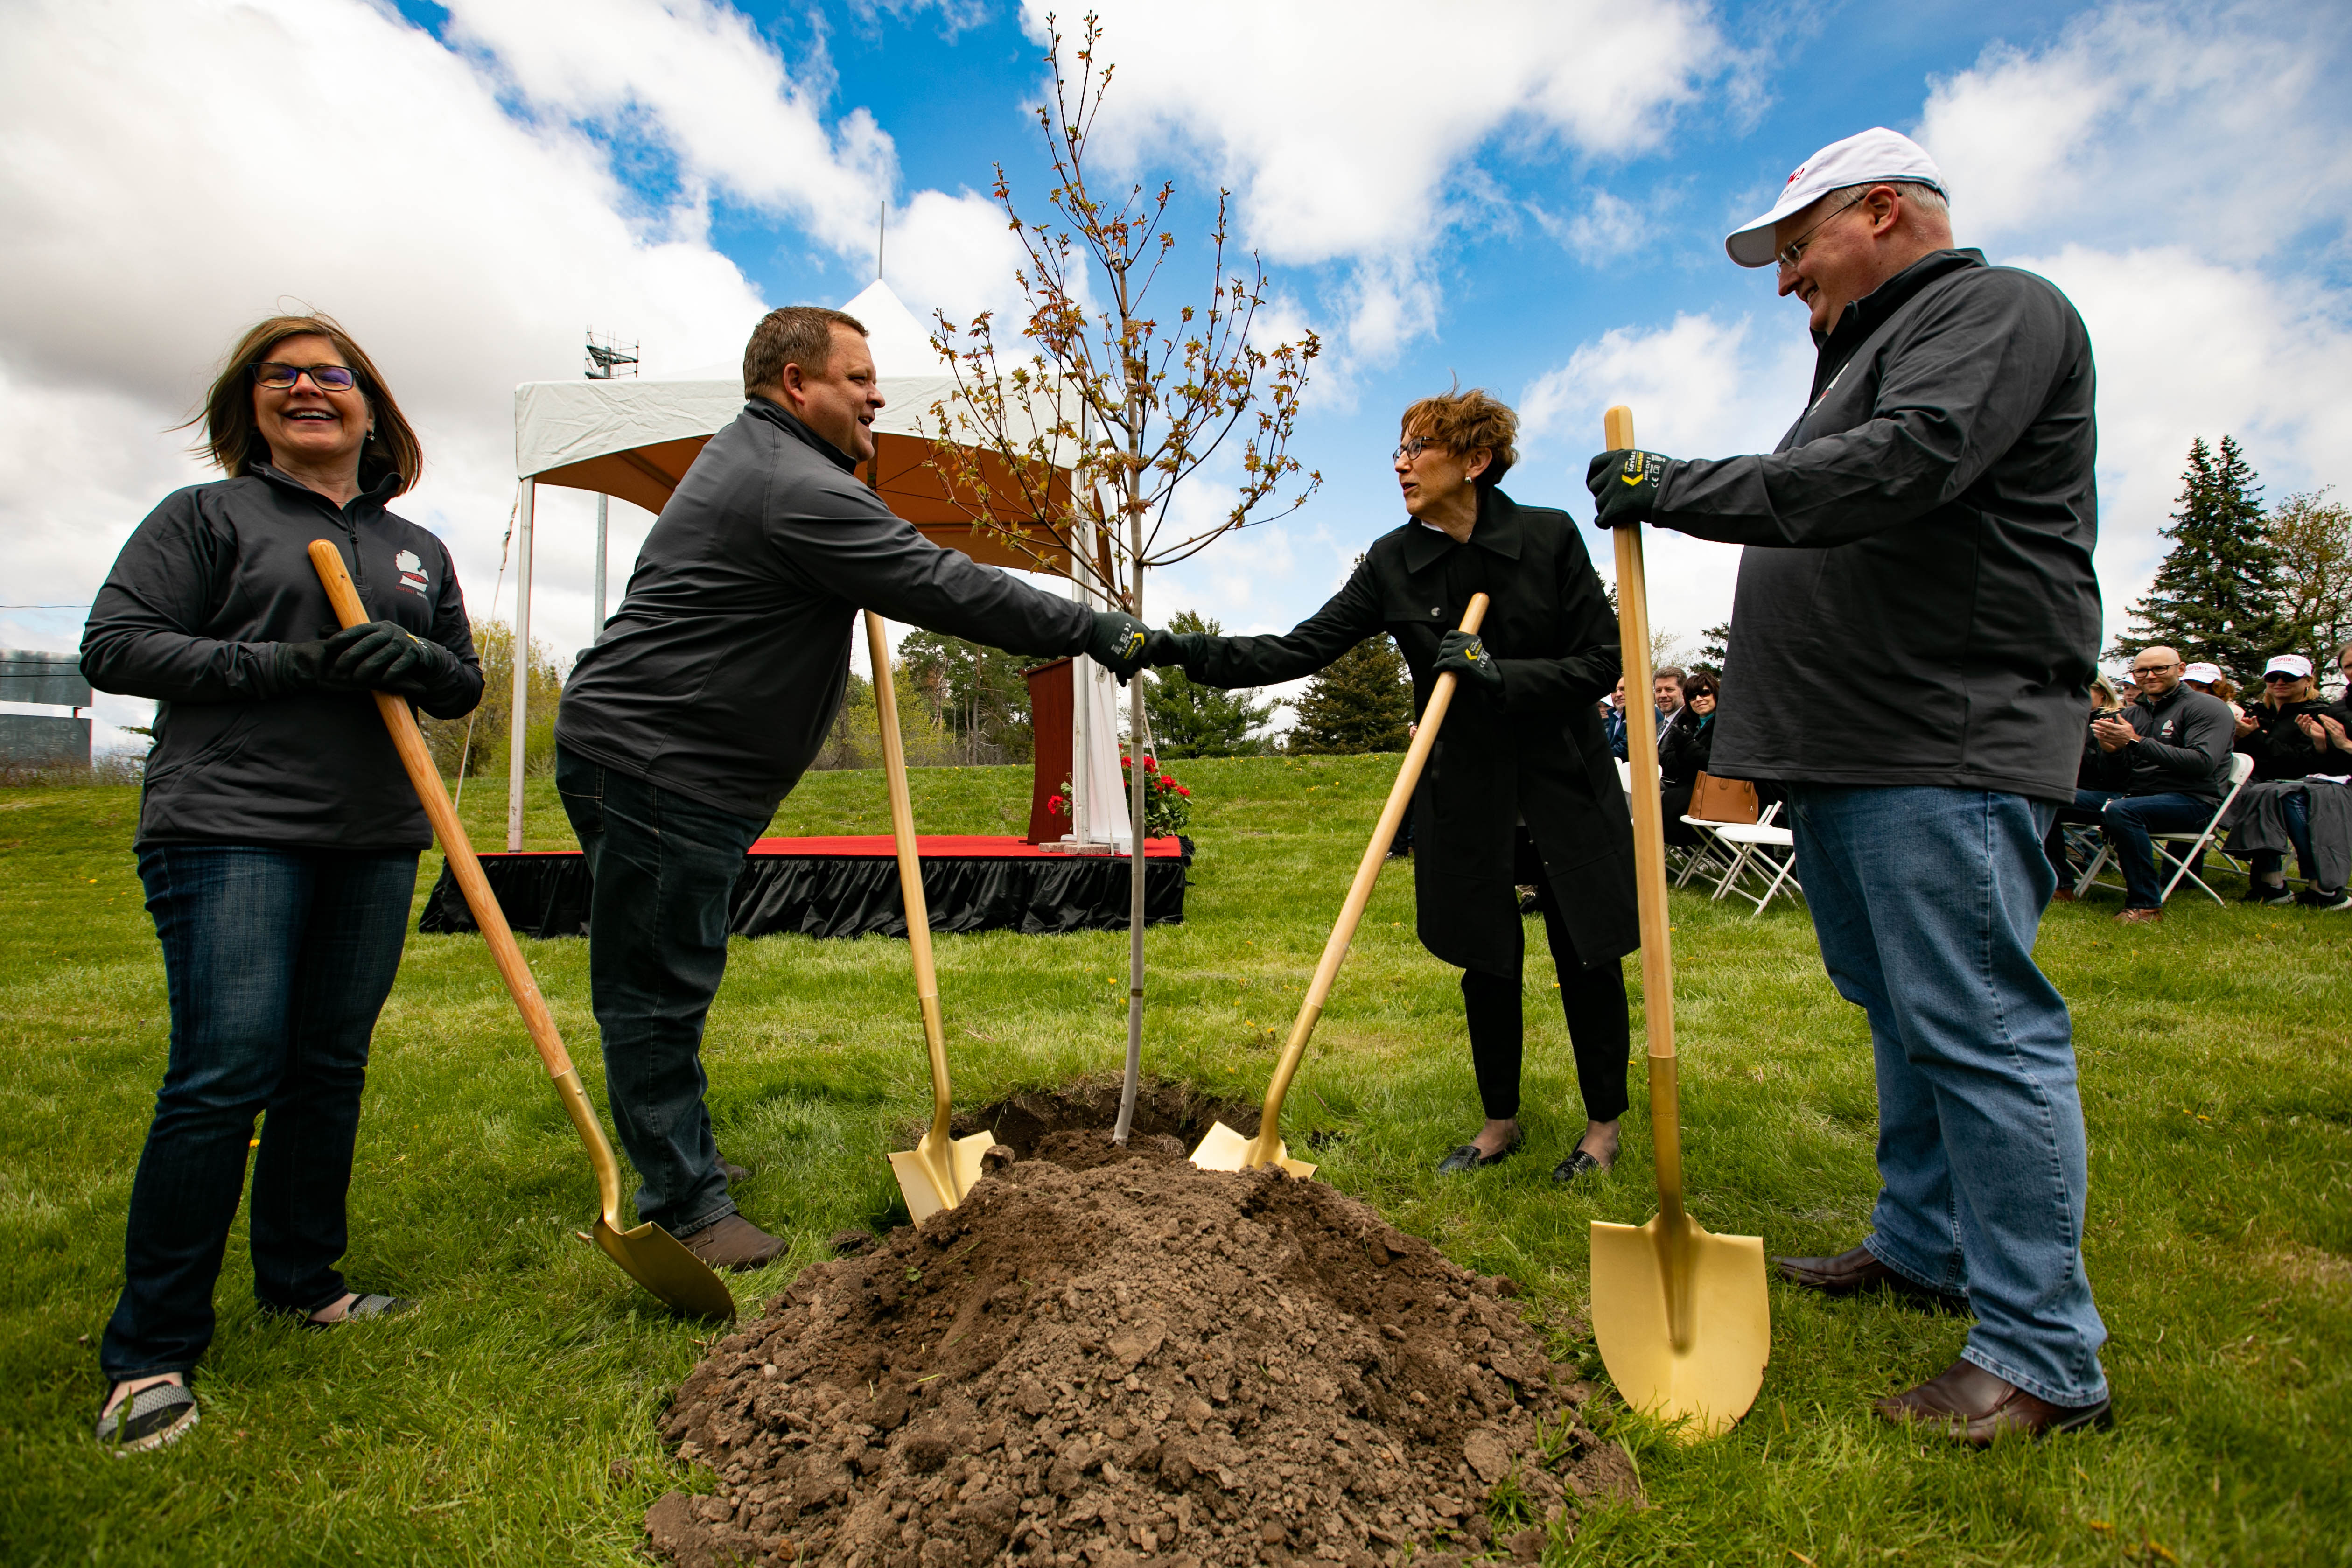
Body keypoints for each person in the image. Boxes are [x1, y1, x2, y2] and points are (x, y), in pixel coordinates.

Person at [1585, 127, 2111, 1443]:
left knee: (1981, 1028)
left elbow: (1901, 466)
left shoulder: (1995, 311)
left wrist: (1676, 487)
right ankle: (1926, 1248)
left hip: (1944, 733)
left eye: (1797, 244)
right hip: (1857, 745)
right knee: (1904, 1013)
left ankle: (2046, 1356)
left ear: (1883, 211)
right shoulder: (1871, 352)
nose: (1781, 280)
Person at [550, 305, 1152, 1271]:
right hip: (660, 760)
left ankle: (682, 1156)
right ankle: (685, 1205)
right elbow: (944, 583)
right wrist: (1091, 628)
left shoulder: (772, 464)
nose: (878, 397)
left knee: (674, 963)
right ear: (797, 383)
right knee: (658, 984)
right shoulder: (791, 481)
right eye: (859, 378)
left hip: (660, 755)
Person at [78, 313, 482, 1453]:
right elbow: (115, 646)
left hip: (371, 834)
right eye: (280, 377)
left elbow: (461, 681)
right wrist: (290, 666)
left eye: (330, 375)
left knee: (326, 1065)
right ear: (250, 406)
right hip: (229, 826)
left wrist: (421, 664)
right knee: (226, 1069)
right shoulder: (205, 520)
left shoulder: (417, 549)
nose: (307, 388)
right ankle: (149, 1353)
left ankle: (304, 1282)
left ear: (371, 404)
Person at [1151, 388, 1636, 1183]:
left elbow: (1600, 663)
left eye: (1420, 447)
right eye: (1400, 446)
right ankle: (1499, 1122)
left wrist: (1498, 673)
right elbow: (1295, 649)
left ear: (1475, 462)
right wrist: (1173, 649)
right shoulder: (1393, 563)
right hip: (1468, 788)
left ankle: (1602, 1129)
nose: (1400, 461)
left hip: (1562, 783)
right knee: (1488, 956)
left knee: (1586, 953)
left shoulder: (1548, 538)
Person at [2068, 646, 2234, 922]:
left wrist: (2135, 742)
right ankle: (2061, 886)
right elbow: (2115, 779)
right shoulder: (2133, 714)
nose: (2150, 676)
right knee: (2047, 796)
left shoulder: (2207, 707)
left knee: (2124, 810)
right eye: (2141, 671)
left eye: (2160, 668)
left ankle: (2145, 905)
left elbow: (2202, 762)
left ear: (2180, 670)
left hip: (2194, 802)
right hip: (2134, 796)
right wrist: (2111, 752)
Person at [2228, 653, 2351, 907]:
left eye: (2289, 678)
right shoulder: (2256, 712)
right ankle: (2272, 883)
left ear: (2308, 681)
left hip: (2305, 784)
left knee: (2280, 795)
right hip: (2268, 783)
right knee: (2260, 791)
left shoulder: (2320, 713)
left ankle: (2318, 885)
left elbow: (2300, 763)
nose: (2280, 682)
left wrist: (2254, 739)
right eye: (2273, 677)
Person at [1658, 670, 1718, 844]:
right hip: (1685, 784)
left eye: (1705, 693)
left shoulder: (1725, 725)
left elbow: (1713, 763)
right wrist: (1688, 753)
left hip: (1715, 790)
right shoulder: (1686, 724)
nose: (1698, 699)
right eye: (1692, 696)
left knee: (1666, 802)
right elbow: (1667, 762)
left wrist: (1688, 748)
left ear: (1715, 693)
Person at [1603, 675, 1630, 761]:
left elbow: (1625, 749)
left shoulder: (1645, 714)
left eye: (1623, 689)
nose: (1618, 694)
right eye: (1614, 691)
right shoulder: (1614, 719)